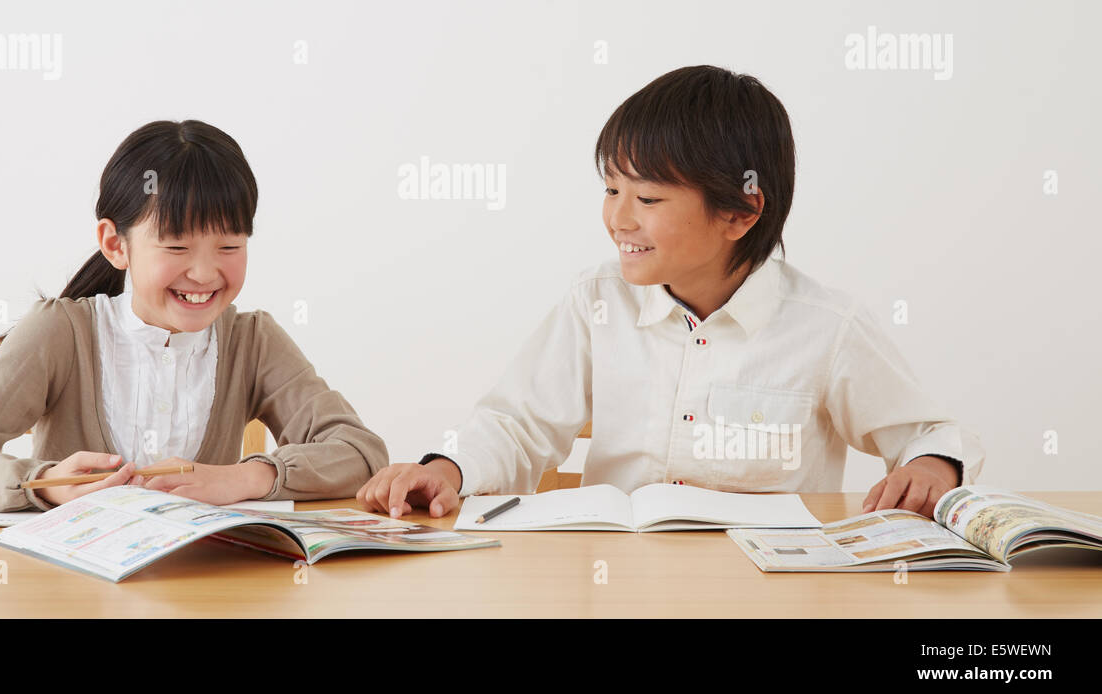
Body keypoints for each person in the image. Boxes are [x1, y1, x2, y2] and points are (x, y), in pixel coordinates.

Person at [358, 65, 983, 521]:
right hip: (617, 579)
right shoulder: (596, 300)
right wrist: (445, 469)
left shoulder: (827, 327)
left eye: (649, 199)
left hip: (767, 587)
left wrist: (930, 467)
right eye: (611, 189)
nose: (619, 219)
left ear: (741, 212)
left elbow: (927, 433)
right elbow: (516, 423)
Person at [0, 120, 387, 511]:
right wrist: (44, 482)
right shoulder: (60, 333)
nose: (204, 272)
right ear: (116, 245)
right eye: (176, 246)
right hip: (67, 592)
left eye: (229, 246)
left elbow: (360, 452)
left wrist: (244, 478)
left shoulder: (253, 340)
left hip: (200, 592)